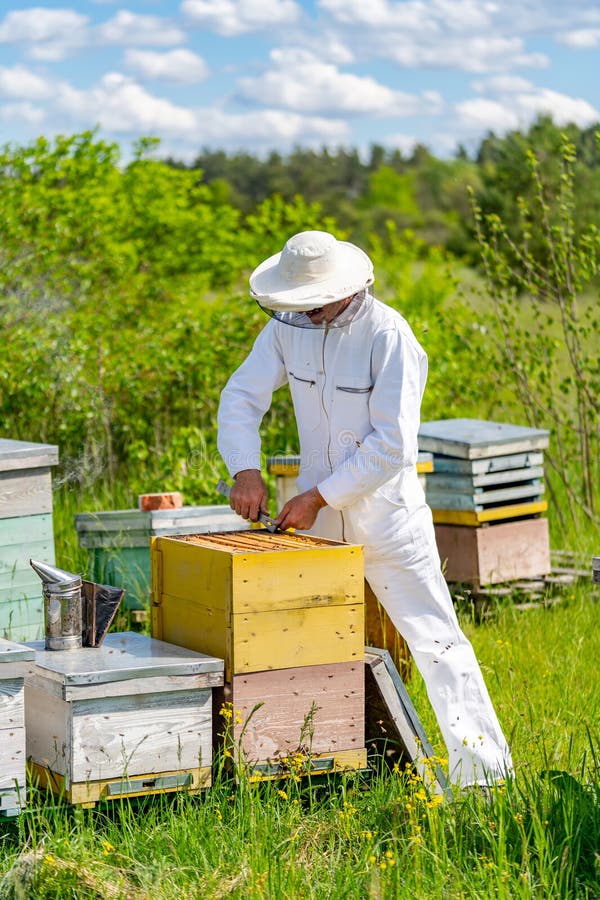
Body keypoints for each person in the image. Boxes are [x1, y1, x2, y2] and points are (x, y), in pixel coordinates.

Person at [217, 230, 513, 787]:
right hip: (318, 526)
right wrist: (245, 468)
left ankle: (485, 781)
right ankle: (317, 772)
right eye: (296, 304)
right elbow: (241, 396)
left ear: (348, 288)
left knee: (437, 643)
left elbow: (392, 444)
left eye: (315, 302)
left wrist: (316, 496)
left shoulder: (389, 336)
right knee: (306, 643)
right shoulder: (288, 331)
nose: (304, 313)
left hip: (387, 521)